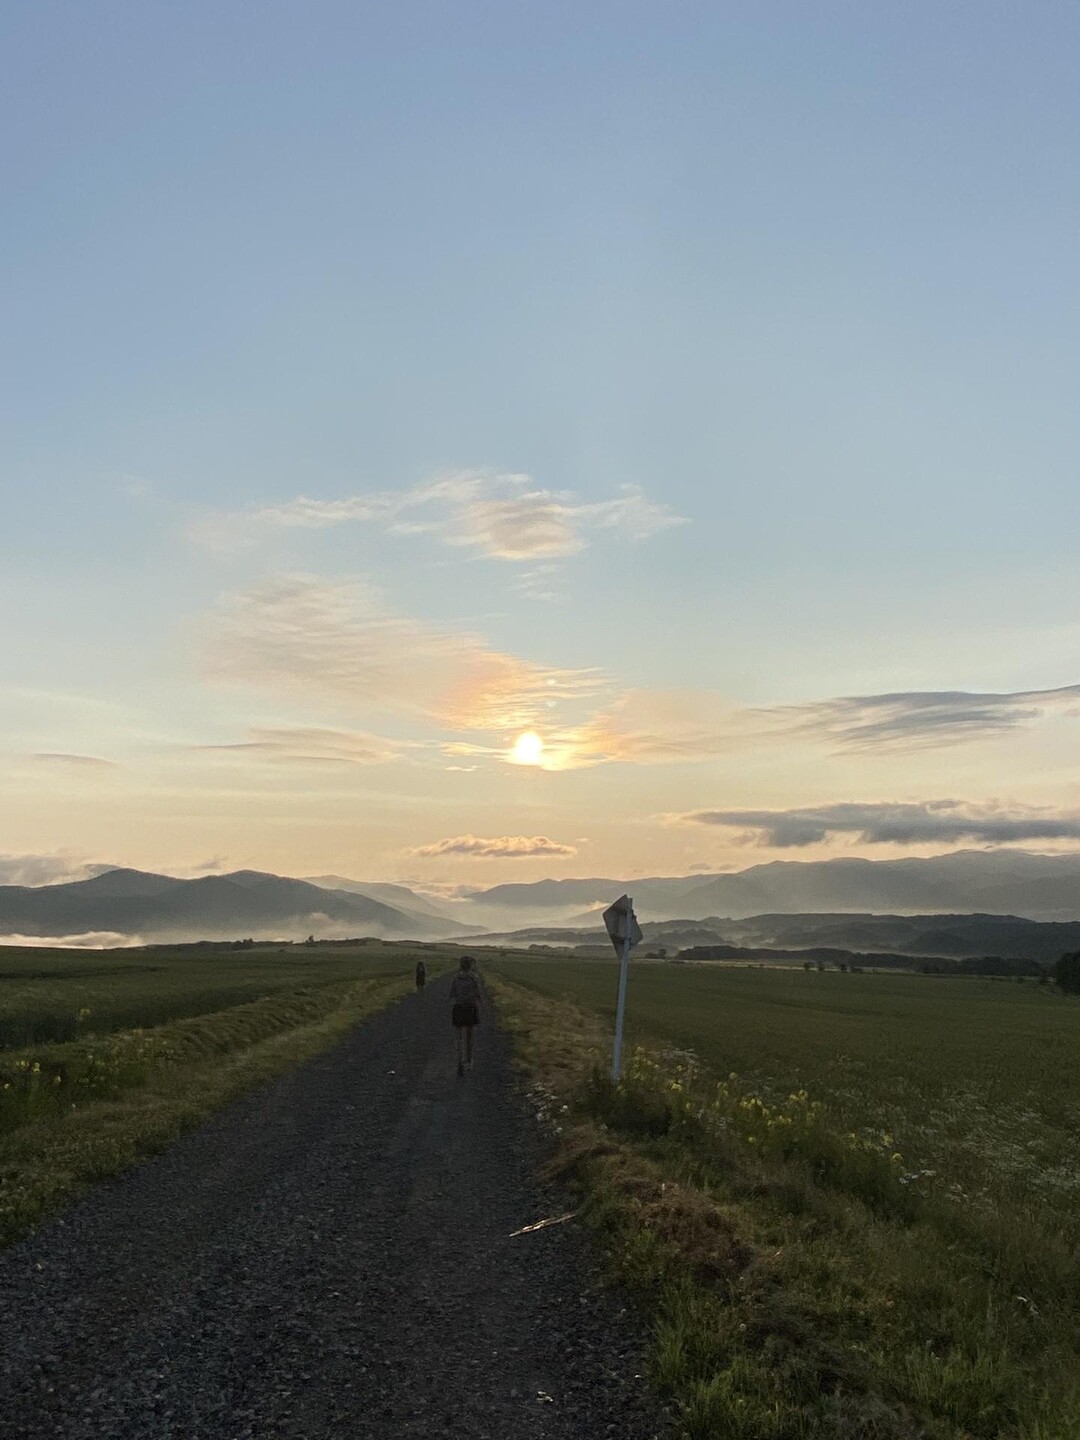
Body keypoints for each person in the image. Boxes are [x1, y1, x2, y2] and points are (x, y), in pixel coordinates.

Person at [449, 954, 481, 1077]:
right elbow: (478, 995)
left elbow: (451, 995)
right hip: (470, 1008)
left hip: (458, 1008)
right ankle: (469, 1060)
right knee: (470, 1036)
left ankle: (459, 1058)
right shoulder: (474, 979)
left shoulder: (455, 979)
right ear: (471, 966)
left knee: (458, 1036)